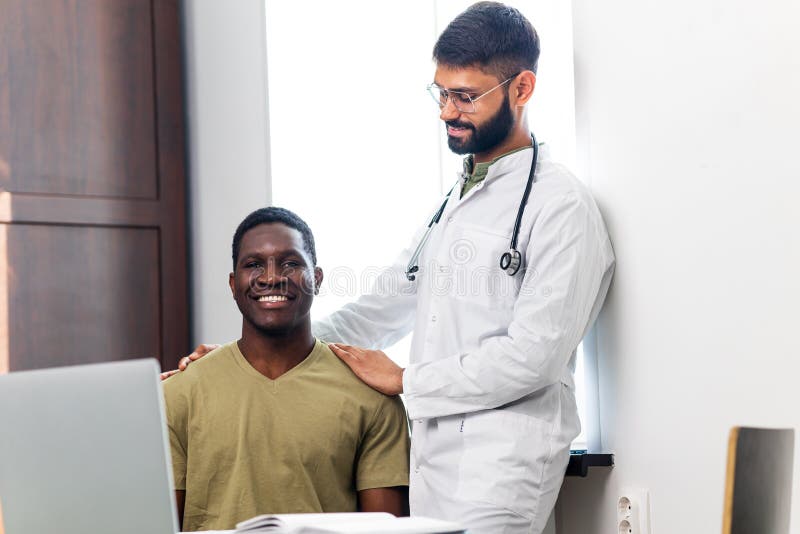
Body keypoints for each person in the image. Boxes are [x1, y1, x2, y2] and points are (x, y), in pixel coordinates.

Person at [174, 3, 615, 532]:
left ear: (522, 88)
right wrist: (242, 355)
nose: (447, 111)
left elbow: (534, 357)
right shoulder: (456, 201)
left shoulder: (561, 206)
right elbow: (386, 303)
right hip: (433, 459)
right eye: (441, 92)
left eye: (465, 96)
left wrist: (405, 378)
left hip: (502, 463)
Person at [162, 207, 410, 531]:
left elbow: (386, 530)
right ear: (233, 284)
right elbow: (160, 523)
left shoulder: (372, 398)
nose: (271, 277)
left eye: (290, 263)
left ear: (317, 279)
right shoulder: (178, 395)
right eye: (253, 265)